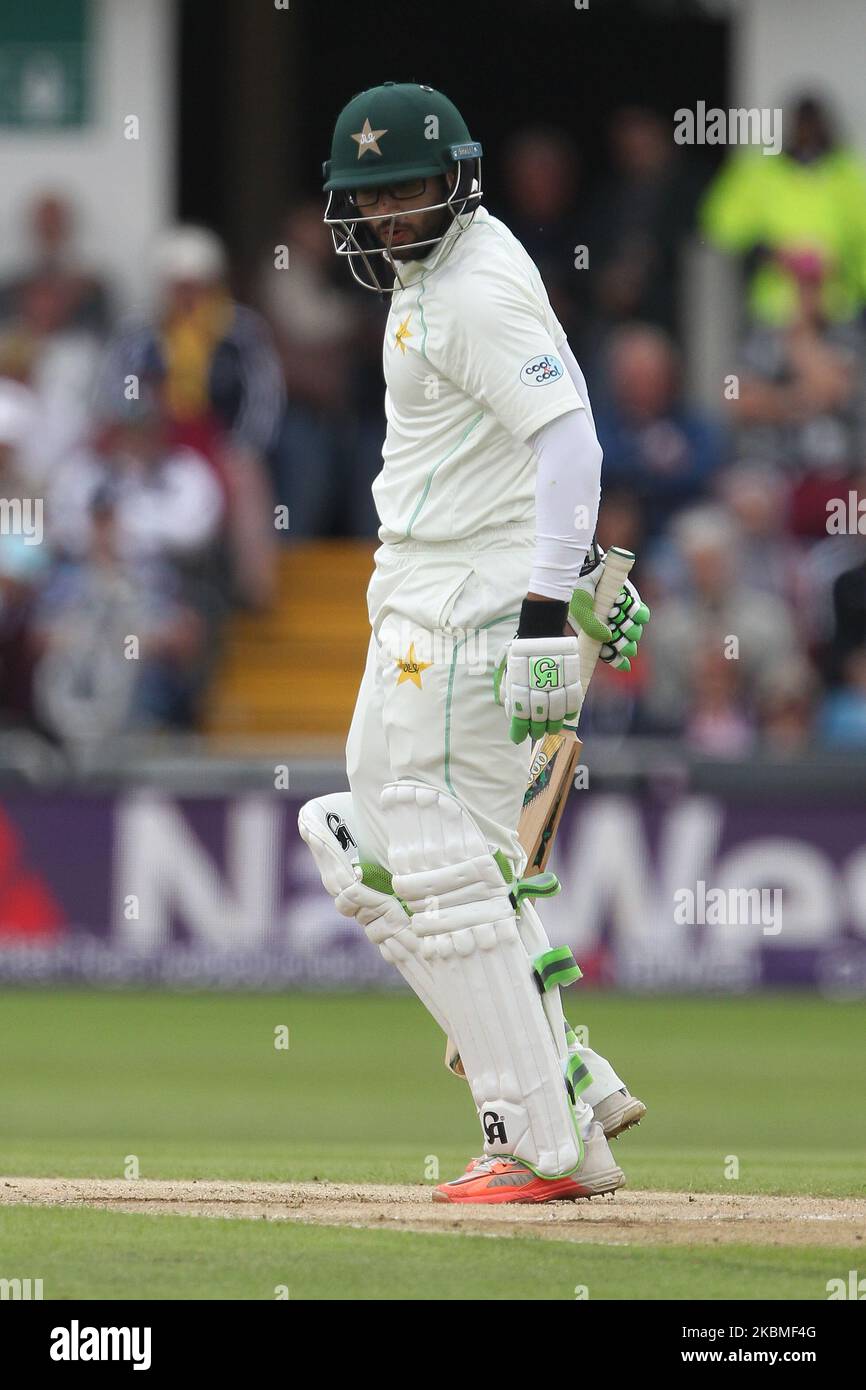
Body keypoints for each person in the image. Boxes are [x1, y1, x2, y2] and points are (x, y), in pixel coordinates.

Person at [298, 83, 651, 1204]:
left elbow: (571, 446)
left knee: (448, 867)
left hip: (475, 606)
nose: (391, 216)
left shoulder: (480, 283)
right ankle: (567, 1086)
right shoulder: (425, 279)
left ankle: (535, 1139)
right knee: (356, 842)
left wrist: (548, 614)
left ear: (457, 178)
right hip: (416, 602)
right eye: (371, 198)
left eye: (407, 191)